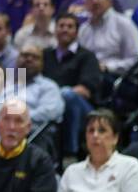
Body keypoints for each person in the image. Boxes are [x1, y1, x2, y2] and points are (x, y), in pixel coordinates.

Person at [44, 12, 103, 157]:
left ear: (76, 32)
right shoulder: (45, 55)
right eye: (61, 26)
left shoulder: (87, 56)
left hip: (83, 109)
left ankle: (70, 152)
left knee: (68, 95)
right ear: (55, 30)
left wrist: (55, 97)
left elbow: (85, 90)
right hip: (49, 105)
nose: (65, 29)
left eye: (70, 27)